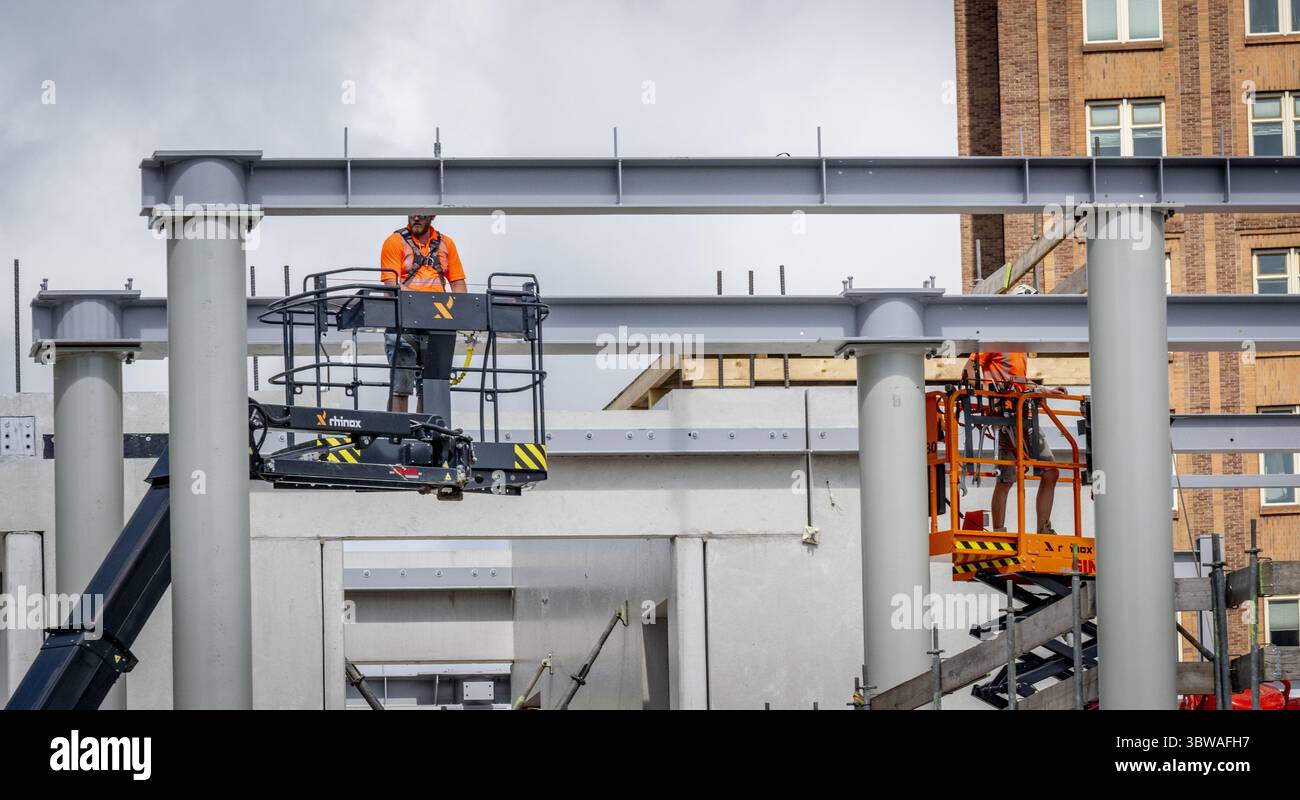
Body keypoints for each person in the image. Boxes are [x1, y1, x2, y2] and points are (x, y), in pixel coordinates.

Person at [962, 351, 1063, 534]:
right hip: (1007, 417)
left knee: (1047, 473)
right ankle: (1003, 530)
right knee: (1011, 478)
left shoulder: (1020, 349)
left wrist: (1044, 390)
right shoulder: (996, 344)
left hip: (1022, 414)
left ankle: (1042, 529)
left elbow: (1019, 380)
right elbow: (969, 369)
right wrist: (986, 395)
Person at [379, 213, 468, 413]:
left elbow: (458, 284)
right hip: (403, 324)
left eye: (421, 214)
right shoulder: (395, 242)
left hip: (437, 325)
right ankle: (398, 433)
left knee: (431, 387)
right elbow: (391, 287)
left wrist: (463, 312)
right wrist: (426, 305)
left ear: (433, 215)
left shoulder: (446, 244)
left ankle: (424, 432)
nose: (416, 218)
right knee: (401, 385)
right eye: (413, 213)